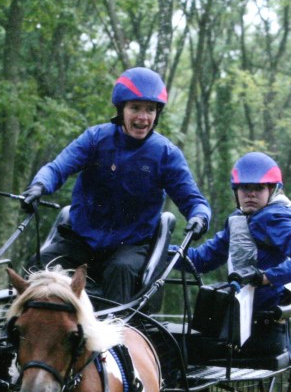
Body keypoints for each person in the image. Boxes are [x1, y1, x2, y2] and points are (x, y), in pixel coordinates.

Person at [19, 66, 211, 306]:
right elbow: (57, 168)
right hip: (81, 242)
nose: (143, 117)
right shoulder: (95, 139)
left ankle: (117, 340)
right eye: (135, 108)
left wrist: (200, 217)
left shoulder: (166, 154)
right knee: (40, 262)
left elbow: (194, 201)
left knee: (120, 269)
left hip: (129, 246)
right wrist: (39, 186)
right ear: (121, 111)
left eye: (150, 110)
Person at [181, 152, 291, 356]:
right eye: (244, 188)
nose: (250, 194)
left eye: (258, 188)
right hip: (240, 321)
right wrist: (159, 251)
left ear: (272, 190)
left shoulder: (274, 218)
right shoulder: (239, 219)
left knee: (176, 349)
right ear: (236, 191)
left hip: (261, 331)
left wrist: (267, 277)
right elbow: (202, 260)